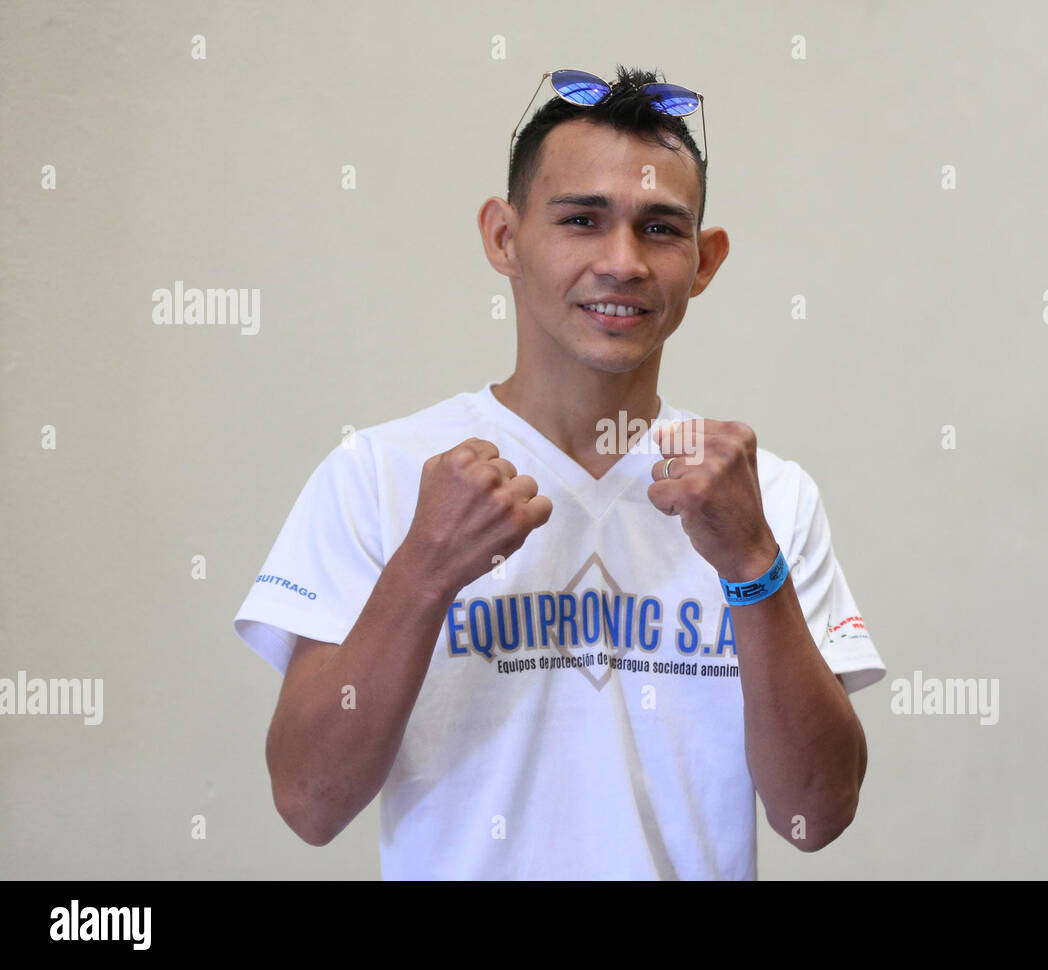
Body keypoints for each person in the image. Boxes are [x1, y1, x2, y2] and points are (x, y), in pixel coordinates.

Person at [232, 65, 886, 879]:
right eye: (582, 219)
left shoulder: (765, 497)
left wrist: (754, 566)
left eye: (660, 228)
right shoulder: (377, 474)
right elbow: (309, 802)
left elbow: (815, 815)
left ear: (705, 260)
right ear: (504, 237)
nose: (622, 262)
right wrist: (423, 572)